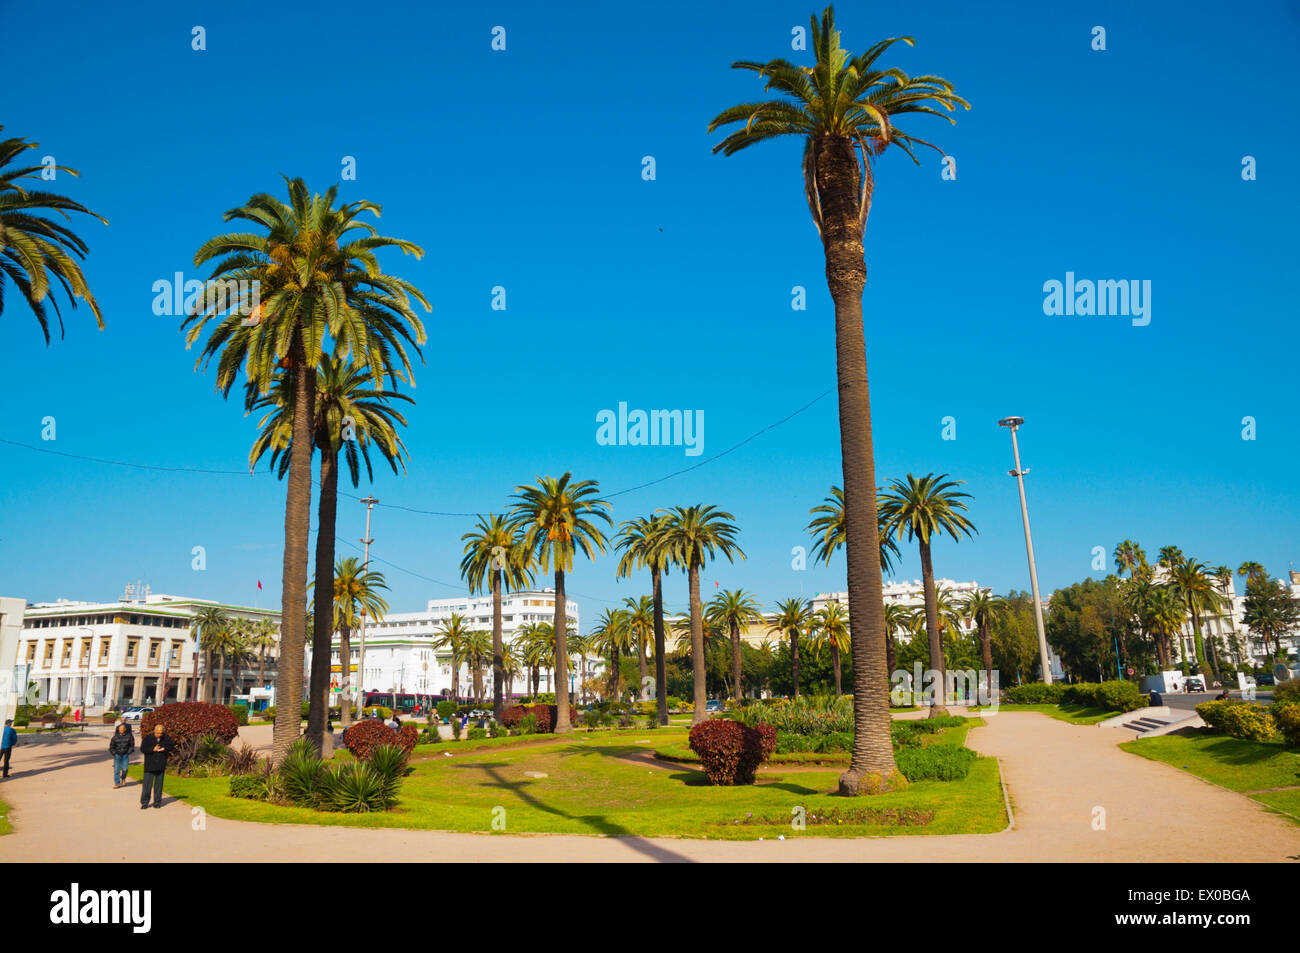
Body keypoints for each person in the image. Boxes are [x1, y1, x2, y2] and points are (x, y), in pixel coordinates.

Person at [139, 723, 175, 809]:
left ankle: (157, 802)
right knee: (147, 786)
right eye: (158, 733)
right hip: (150, 765)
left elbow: (171, 746)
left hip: (160, 765)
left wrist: (164, 749)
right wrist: (152, 749)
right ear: (154, 731)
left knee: (158, 786)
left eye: (161, 733)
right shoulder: (148, 738)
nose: (159, 735)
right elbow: (143, 749)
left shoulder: (166, 738)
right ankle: (145, 802)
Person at [109, 721, 134, 788]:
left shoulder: (129, 736)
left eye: (122, 729)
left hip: (125, 755)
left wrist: (128, 752)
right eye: (120, 729)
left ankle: (123, 778)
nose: (121, 731)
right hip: (117, 755)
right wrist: (114, 753)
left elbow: (132, 746)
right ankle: (117, 783)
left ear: (125, 730)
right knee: (116, 770)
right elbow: (111, 747)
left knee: (125, 769)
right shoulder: (115, 737)